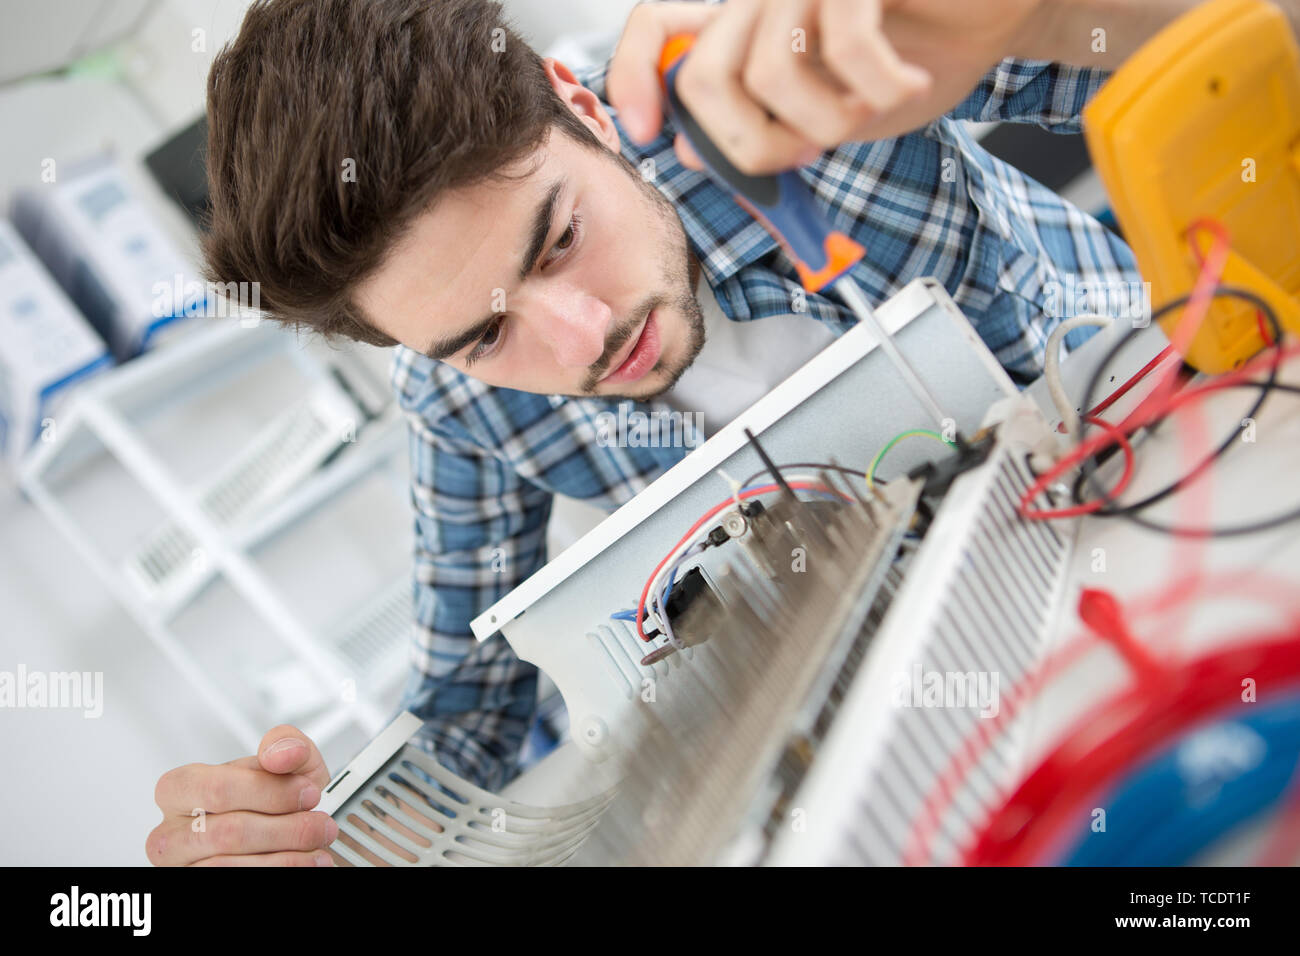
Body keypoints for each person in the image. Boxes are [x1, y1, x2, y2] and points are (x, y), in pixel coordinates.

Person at [146, 0, 1272, 866]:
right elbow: (466, 726)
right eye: (484, 335)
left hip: (1217, 461)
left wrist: (989, 16)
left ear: (579, 108)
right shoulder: (460, 405)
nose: (584, 337)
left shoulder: (771, 89)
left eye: (555, 241)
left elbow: (1226, 40)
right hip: (966, 706)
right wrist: (313, 833)